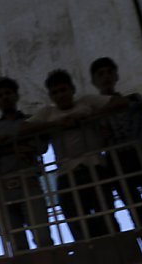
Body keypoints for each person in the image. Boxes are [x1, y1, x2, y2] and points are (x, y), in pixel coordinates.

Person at [23, 70, 126, 242]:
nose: (60, 95)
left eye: (63, 90)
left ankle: (115, 250)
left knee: (106, 216)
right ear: (50, 96)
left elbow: (121, 102)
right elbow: (23, 129)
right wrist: (55, 125)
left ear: (72, 89)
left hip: (95, 166)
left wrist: (89, 116)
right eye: (55, 92)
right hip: (67, 172)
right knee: (76, 220)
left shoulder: (86, 102)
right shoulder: (48, 112)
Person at [89, 57, 142, 228]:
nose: (106, 77)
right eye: (101, 74)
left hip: (140, 154)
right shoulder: (95, 110)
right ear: (94, 81)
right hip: (121, 158)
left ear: (116, 76)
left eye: (109, 72)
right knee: (137, 210)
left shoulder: (130, 100)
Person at [0, 77, 54, 253]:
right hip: (2, 186)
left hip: (28, 180)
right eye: (0, 95)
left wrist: (0, 147)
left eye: (8, 93)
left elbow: (41, 146)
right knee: (15, 239)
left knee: (42, 234)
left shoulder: (30, 121)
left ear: (16, 95)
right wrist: (15, 146)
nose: (5, 97)